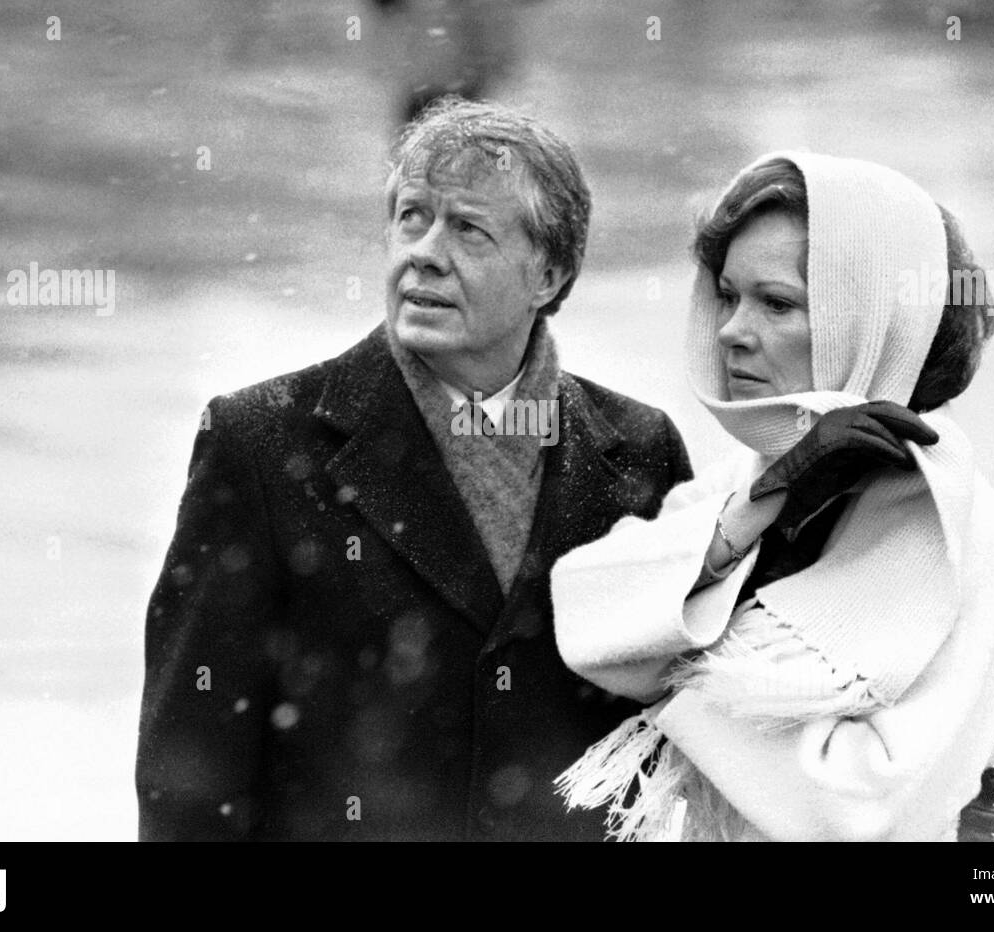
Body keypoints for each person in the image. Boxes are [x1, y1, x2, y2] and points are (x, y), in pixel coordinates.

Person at [134, 97, 692, 841]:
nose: (424, 252)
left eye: (468, 227)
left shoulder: (638, 452)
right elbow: (191, 772)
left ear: (550, 274)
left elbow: (670, 748)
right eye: (410, 217)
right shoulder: (261, 445)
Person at [551, 152, 994, 841]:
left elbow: (849, 808)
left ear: (872, 321)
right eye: (728, 294)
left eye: (776, 303)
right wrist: (762, 505)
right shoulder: (753, 474)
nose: (731, 330)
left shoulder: (957, 530)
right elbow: (586, 617)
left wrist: (672, 681)